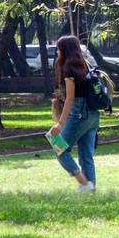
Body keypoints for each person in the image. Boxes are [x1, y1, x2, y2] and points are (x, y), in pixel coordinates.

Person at [49, 35, 99, 191]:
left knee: (58, 147)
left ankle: (83, 182)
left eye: (58, 49)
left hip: (78, 113)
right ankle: (91, 187)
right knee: (86, 154)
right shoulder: (87, 64)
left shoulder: (69, 68)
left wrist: (60, 123)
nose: (57, 52)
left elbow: (71, 98)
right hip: (93, 115)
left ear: (64, 50)